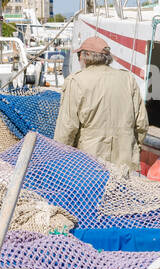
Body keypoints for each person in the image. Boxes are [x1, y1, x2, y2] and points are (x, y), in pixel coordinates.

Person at [53, 35, 148, 171]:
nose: (79, 59)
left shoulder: (76, 81)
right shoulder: (127, 79)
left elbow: (67, 127)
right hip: (124, 162)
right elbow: (142, 123)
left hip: (89, 162)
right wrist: (133, 148)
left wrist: (59, 159)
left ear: (85, 56)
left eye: (79, 55)